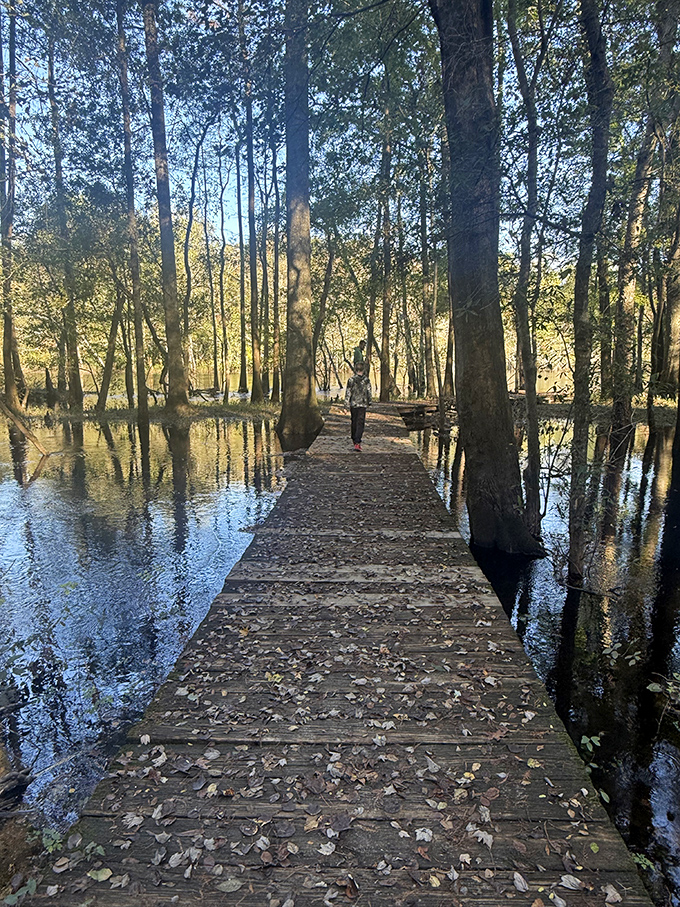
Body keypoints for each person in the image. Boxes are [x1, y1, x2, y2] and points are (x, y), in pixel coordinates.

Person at [345, 360, 372, 451]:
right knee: (360, 423)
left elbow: (348, 393)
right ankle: (357, 441)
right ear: (363, 370)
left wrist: (346, 404)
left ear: (355, 370)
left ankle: (355, 439)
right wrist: (369, 402)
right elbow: (369, 392)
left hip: (353, 404)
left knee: (354, 421)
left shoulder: (351, 380)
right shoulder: (366, 380)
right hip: (362, 404)